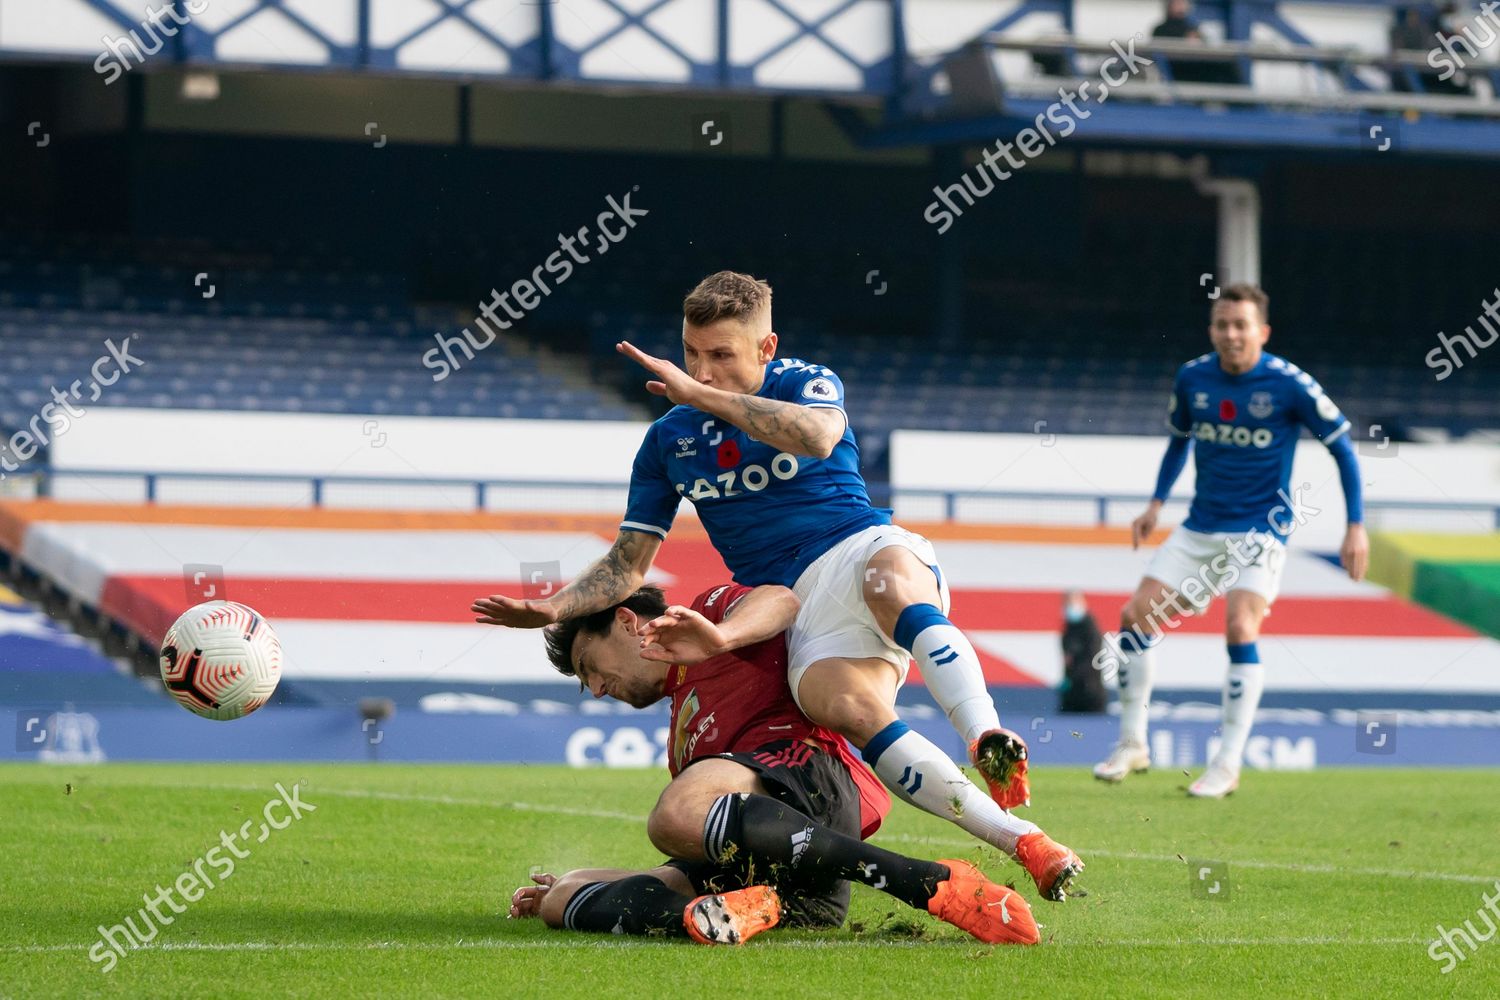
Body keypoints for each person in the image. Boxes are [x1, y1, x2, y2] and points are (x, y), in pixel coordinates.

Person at [474, 271, 1083, 901]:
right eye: (691, 354)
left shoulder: (802, 380)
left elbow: (817, 436)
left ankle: (985, 735)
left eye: (721, 355)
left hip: (858, 546)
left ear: (766, 348)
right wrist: (552, 608)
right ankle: (1025, 841)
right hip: (797, 608)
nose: (702, 371)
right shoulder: (667, 442)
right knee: (848, 710)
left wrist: (701, 395)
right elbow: (629, 566)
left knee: (891, 585)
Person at [507, 581, 1041, 946]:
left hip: (806, 772)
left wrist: (723, 635)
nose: (598, 689)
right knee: (564, 894)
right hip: (787, 888)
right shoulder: (680, 727)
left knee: (676, 814)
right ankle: (709, 917)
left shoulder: (706, 615)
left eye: (589, 667)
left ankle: (923, 881)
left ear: (626, 621)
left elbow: (782, 599)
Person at [1093, 284, 1367, 798]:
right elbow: (1179, 441)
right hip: (1200, 528)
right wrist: (1155, 503)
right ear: (1212, 330)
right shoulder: (1193, 377)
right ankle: (1132, 743)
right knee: (1134, 616)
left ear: (1262, 332)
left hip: (1260, 531)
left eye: (1241, 325)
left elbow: (1344, 449)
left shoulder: (1290, 385)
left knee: (1240, 626)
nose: (1231, 334)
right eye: (1222, 324)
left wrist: (1355, 525)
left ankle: (1227, 762)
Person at [1059, 590, 1107, 714]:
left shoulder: (1090, 628)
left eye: (1072, 603)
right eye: (1066, 604)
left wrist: (1075, 675)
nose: (1069, 607)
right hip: (1071, 695)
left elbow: (1093, 659)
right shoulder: (1068, 629)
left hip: (1090, 693)